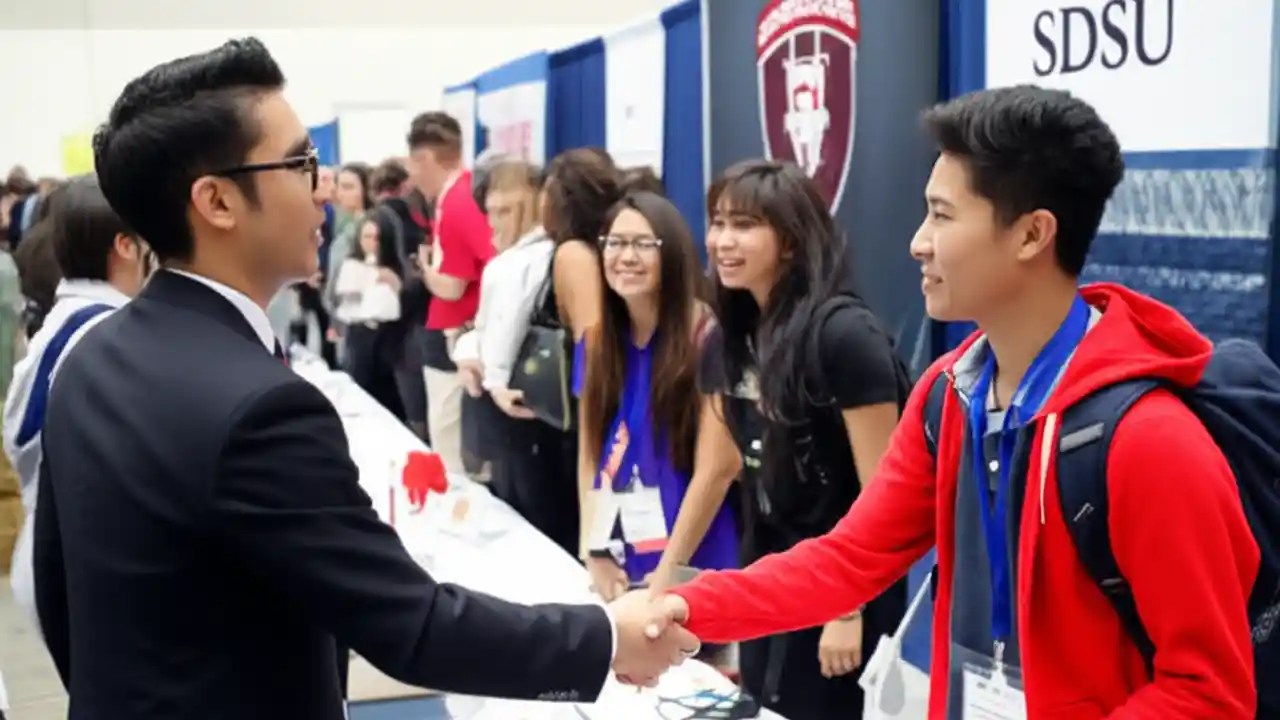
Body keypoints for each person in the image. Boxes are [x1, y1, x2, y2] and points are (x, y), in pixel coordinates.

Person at [32, 38, 697, 720]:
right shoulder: (260, 405)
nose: (323, 186)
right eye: (301, 163)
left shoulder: (91, 359)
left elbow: (58, 592)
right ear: (218, 202)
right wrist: (603, 639)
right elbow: (412, 625)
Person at [656, 86, 1260, 718]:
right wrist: (690, 606)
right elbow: (851, 557)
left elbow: (1207, 691)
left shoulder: (1150, 439)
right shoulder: (948, 396)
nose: (919, 242)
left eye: (942, 217)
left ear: (1032, 234)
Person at [665, 160, 909, 718]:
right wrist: (666, 579)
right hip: (768, 571)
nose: (723, 240)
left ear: (794, 242)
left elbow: (886, 497)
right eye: (718, 222)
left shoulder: (845, 337)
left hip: (845, 588)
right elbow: (717, 466)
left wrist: (847, 610)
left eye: (744, 225)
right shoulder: (728, 339)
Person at [5, 174, 153, 631]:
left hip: (55, 561)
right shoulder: (105, 341)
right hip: (83, 574)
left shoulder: (67, 326)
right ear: (126, 246)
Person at [581, 191, 738, 601]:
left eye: (643, 244)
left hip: (698, 558)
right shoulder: (597, 342)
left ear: (672, 253)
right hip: (626, 555)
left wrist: (672, 570)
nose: (626, 257)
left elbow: (719, 468)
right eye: (615, 243)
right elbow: (590, 454)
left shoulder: (707, 339)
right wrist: (593, 549)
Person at [408, 112, 494, 474]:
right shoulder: (467, 192)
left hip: (458, 333)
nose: (412, 176)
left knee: (449, 440)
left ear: (425, 159)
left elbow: (453, 285)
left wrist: (426, 270)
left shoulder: (456, 202)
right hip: (468, 332)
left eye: (413, 165)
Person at [332, 209, 407, 418]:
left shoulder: (396, 269)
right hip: (360, 335)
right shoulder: (351, 265)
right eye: (367, 237)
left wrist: (395, 283)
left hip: (389, 338)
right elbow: (343, 299)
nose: (372, 243)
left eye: (377, 238)